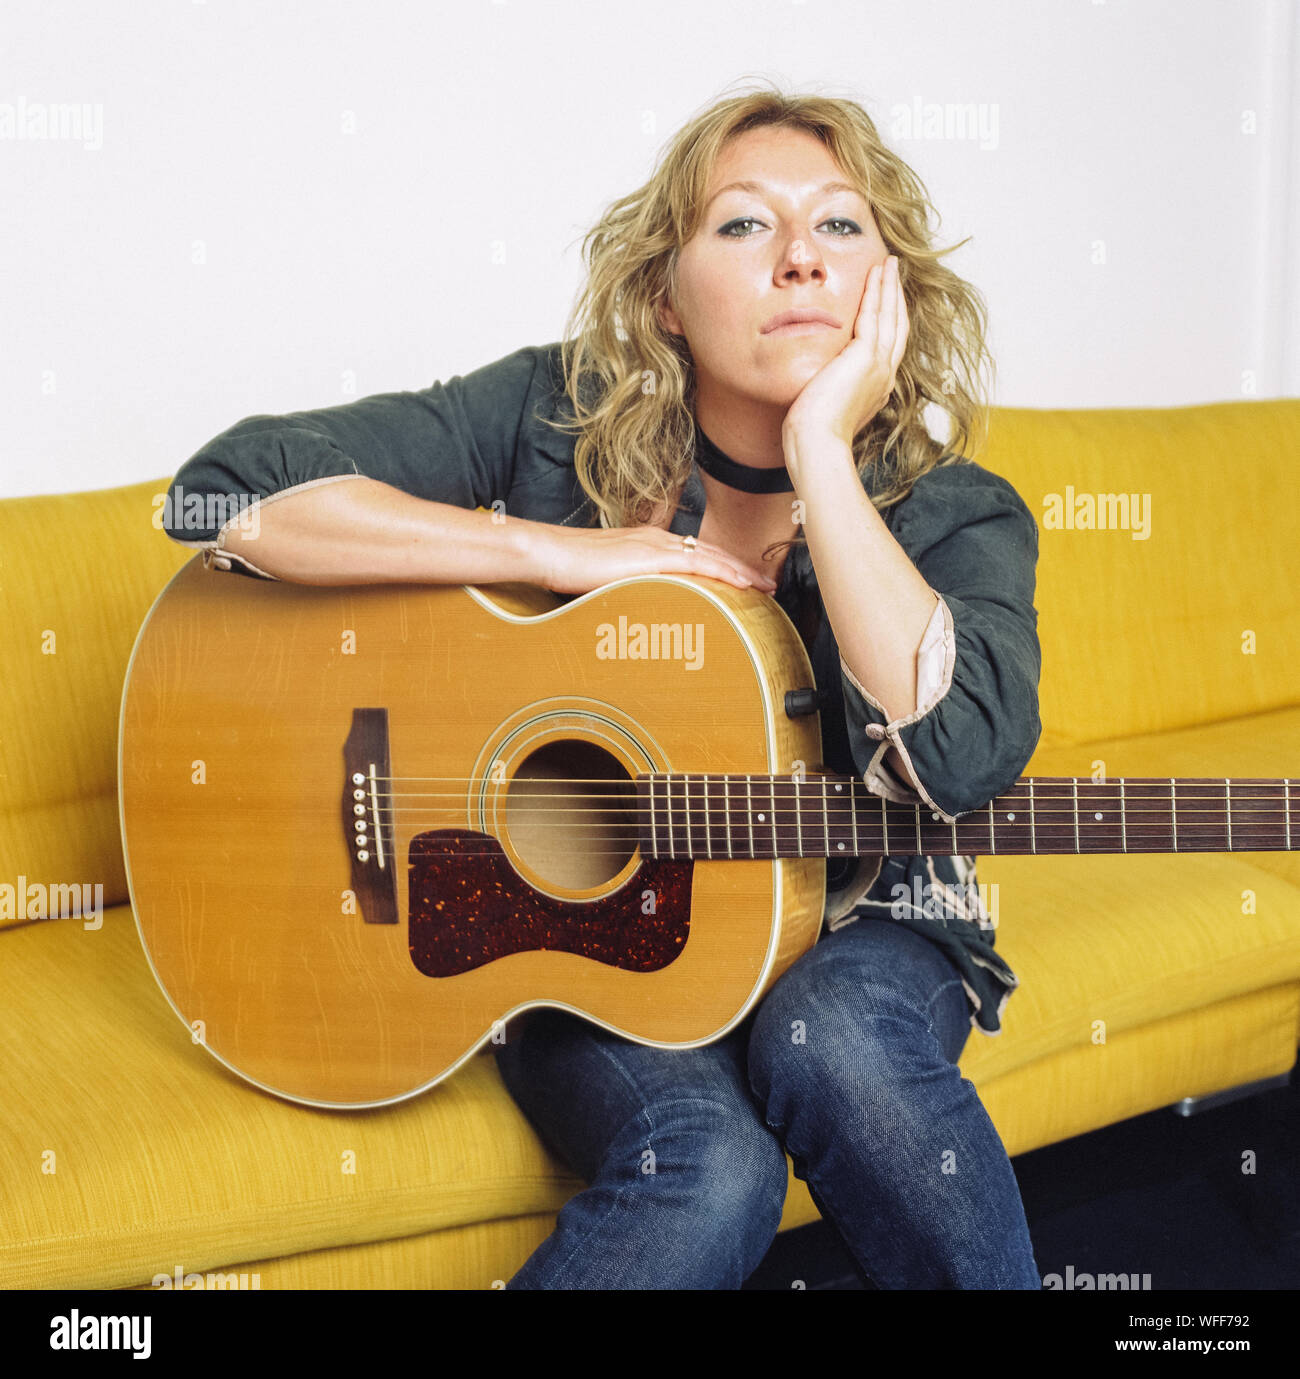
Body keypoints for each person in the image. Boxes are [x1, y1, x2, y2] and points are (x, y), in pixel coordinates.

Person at [162, 81, 1043, 1289]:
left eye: (840, 226)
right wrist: (555, 550)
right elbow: (219, 497)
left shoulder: (957, 512)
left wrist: (822, 456)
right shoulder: (549, 417)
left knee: (828, 1035)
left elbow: (954, 755)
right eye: (742, 224)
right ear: (662, 299)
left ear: (884, 285)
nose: (798, 259)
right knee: (710, 1162)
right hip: (579, 938)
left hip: (865, 920)